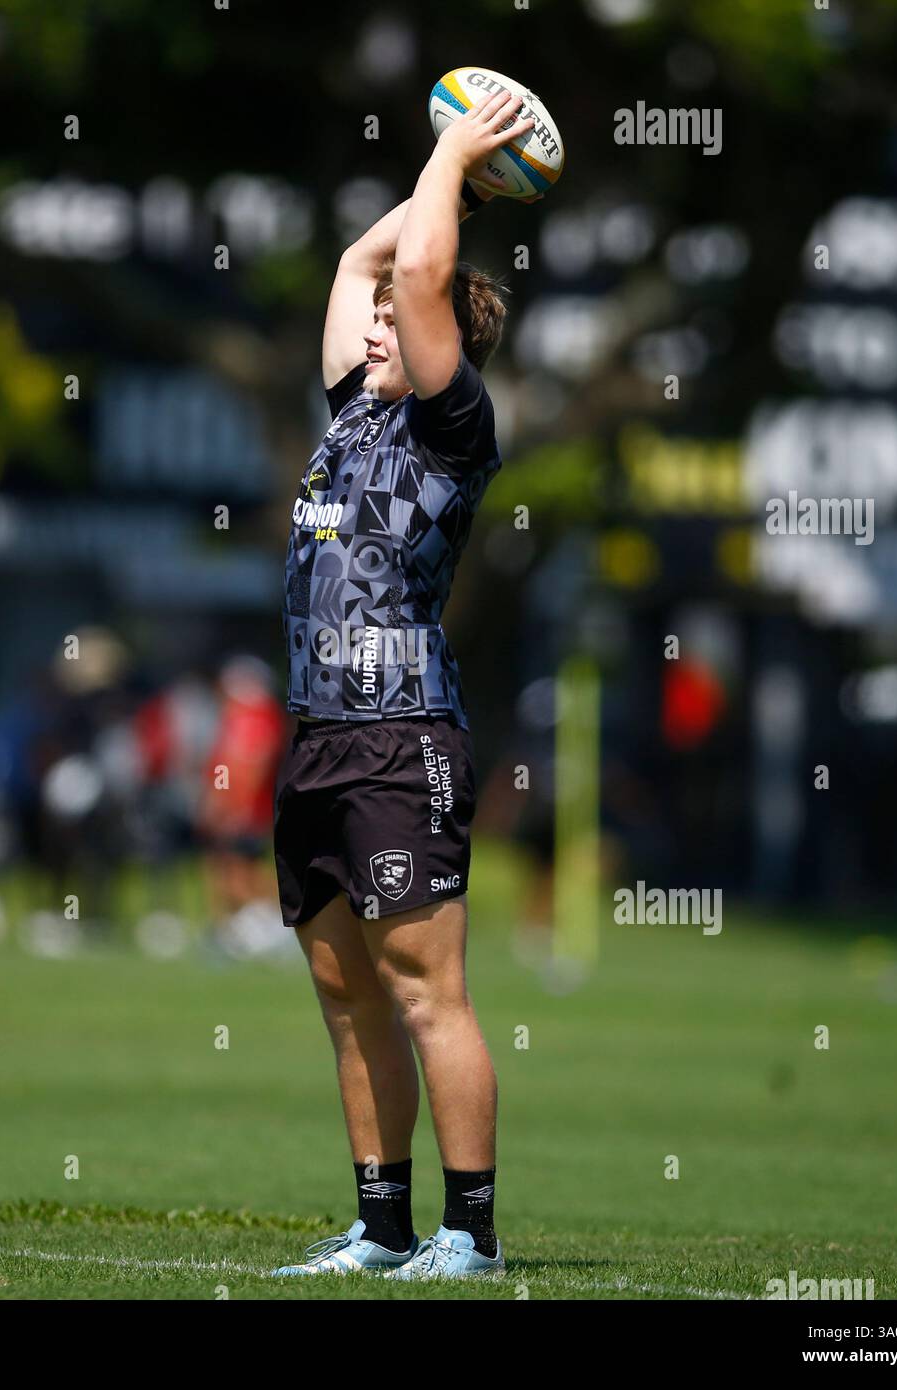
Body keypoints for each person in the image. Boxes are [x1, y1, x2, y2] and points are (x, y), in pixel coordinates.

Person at [270, 90, 535, 1280]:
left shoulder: (450, 423)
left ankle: (466, 1237)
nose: (374, 325)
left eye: (393, 322)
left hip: (399, 736)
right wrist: (467, 179)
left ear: (432, 345)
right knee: (345, 996)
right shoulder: (348, 419)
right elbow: (362, 258)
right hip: (318, 737)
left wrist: (450, 150)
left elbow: (418, 271)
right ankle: (380, 1230)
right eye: (374, 322)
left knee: (430, 994)